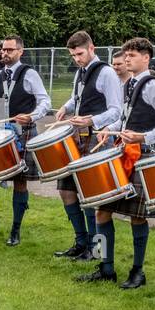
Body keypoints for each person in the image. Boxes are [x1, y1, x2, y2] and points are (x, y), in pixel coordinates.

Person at [77, 38, 155, 290]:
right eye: (126, 55)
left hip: (141, 157)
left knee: (137, 217)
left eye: (132, 55)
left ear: (146, 58)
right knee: (102, 210)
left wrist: (143, 137)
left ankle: (138, 271)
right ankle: (104, 266)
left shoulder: (154, 86)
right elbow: (124, 117)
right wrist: (110, 129)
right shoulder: (127, 84)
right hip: (121, 153)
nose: (127, 59)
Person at [0, 35, 51, 246]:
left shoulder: (29, 74)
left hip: (22, 131)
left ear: (20, 51)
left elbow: (45, 101)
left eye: (10, 50)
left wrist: (32, 116)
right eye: (3, 50)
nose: (5, 53)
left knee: (20, 182)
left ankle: (15, 230)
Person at [53, 31, 122, 258]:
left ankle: (97, 249)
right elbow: (78, 98)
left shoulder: (107, 73)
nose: (76, 59)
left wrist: (92, 120)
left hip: (98, 138)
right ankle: (82, 242)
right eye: (73, 55)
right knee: (66, 190)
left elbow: (116, 110)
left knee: (94, 196)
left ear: (92, 48)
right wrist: (66, 106)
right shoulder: (81, 73)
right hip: (77, 136)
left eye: (79, 53)